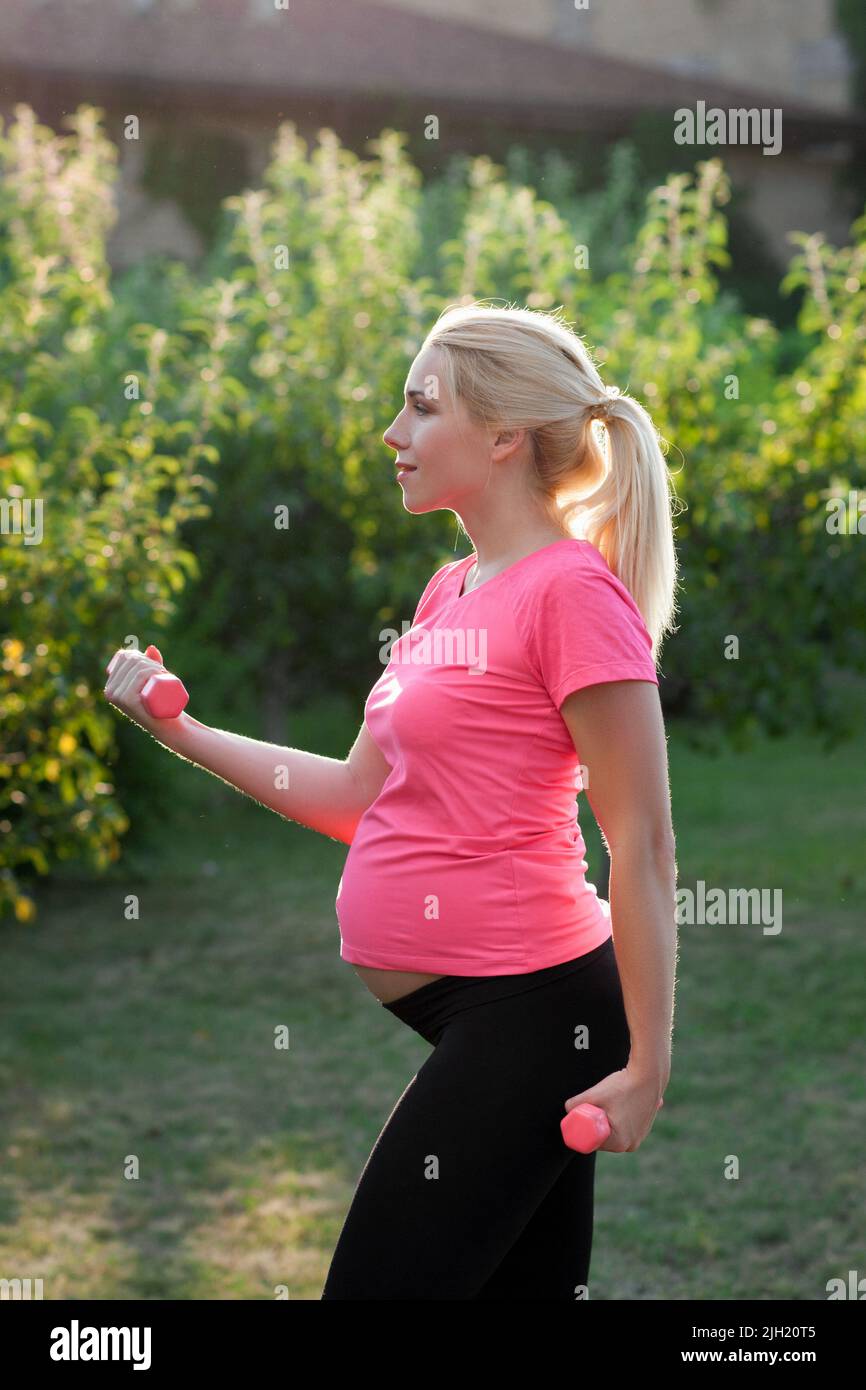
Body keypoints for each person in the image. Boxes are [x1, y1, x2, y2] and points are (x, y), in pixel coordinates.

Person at [104, 301, 680, 1300]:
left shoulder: (571, 595)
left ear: (503, 435)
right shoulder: (449, 592)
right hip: (479, 1010)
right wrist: (178, 729)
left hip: (536, 1007)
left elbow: (640, 842)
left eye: (421, 406)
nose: (391, 432)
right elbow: (353, 794)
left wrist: (646, 1066)